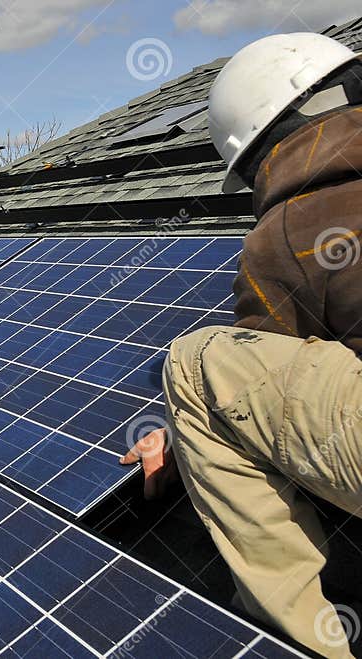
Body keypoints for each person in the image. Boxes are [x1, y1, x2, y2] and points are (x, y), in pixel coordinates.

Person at [121, 33, 362, 657]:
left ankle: (305, 638)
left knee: (197, 362)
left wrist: (180, 429)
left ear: (262, 151)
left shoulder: (290, 227)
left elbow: (254, 381)